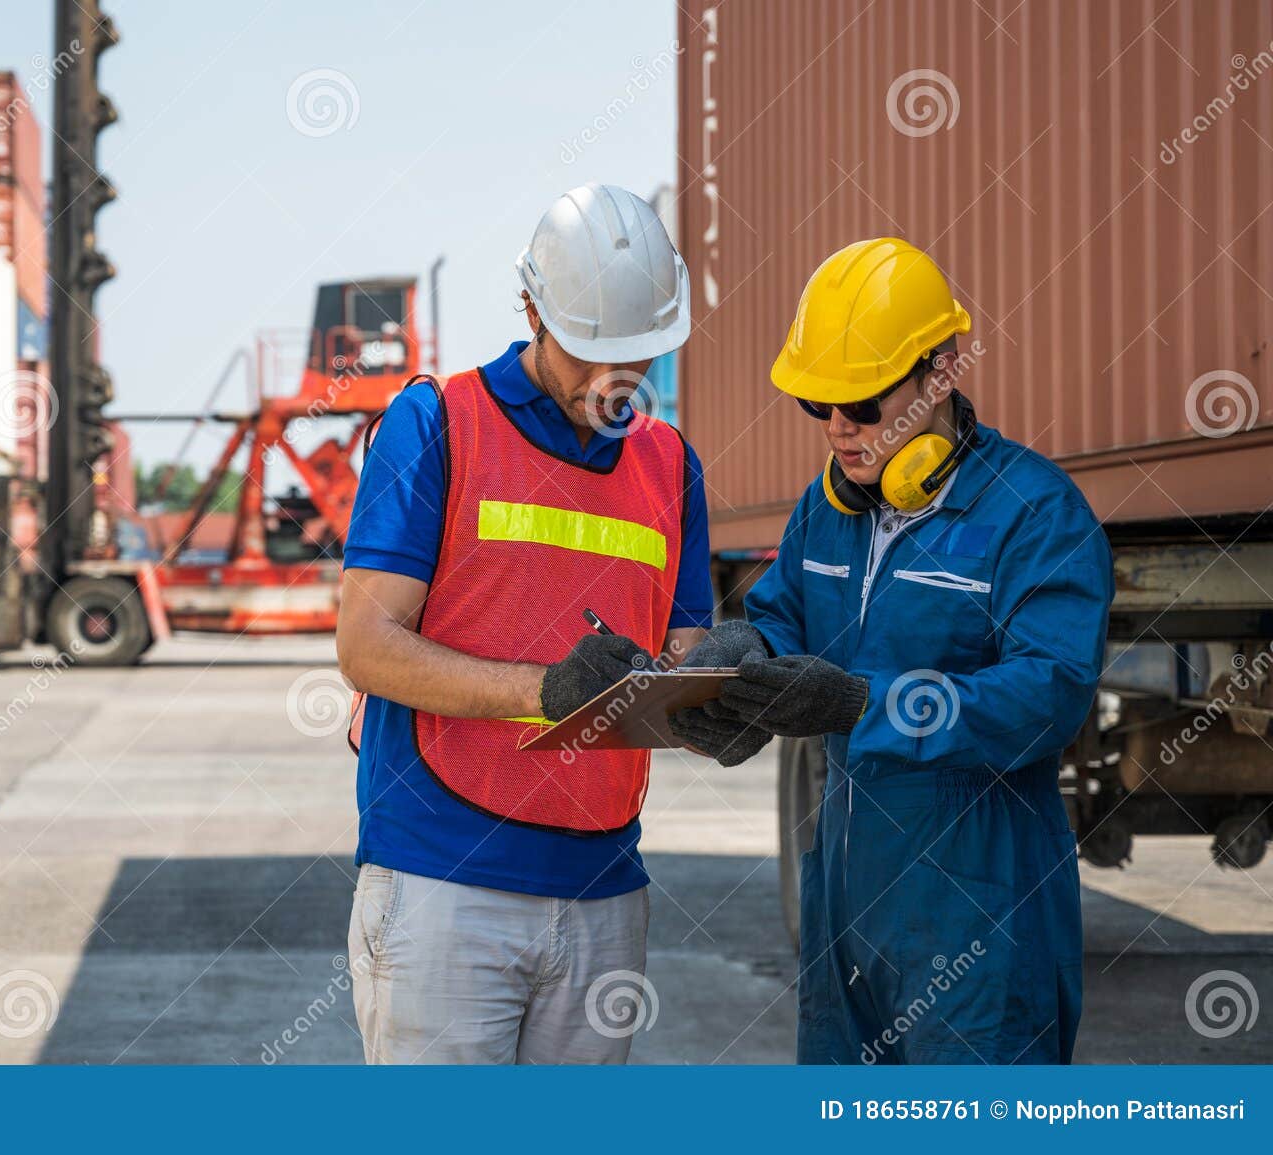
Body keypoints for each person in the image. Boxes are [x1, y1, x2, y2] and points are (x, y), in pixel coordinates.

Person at [336, 184, 759, 1064]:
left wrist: (736, 684)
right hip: (442, 882)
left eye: (637, 356)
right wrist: (547, 691)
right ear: (531, 307)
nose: (613, 382)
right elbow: (366, 647)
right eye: (590, 353)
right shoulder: (438, 424)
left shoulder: (668, 463)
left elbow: (681, 658)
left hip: (606, 889)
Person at [672, 237, 1112, 1064]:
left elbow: (1048, 695)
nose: (839, 429)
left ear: (940, 372)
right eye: (817, 406)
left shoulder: (1033, 513)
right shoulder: (826, 509)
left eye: (864, 405)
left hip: (981, 930)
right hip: (844, 918)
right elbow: (781, 619)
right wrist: (731, 663)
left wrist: (863, 704)